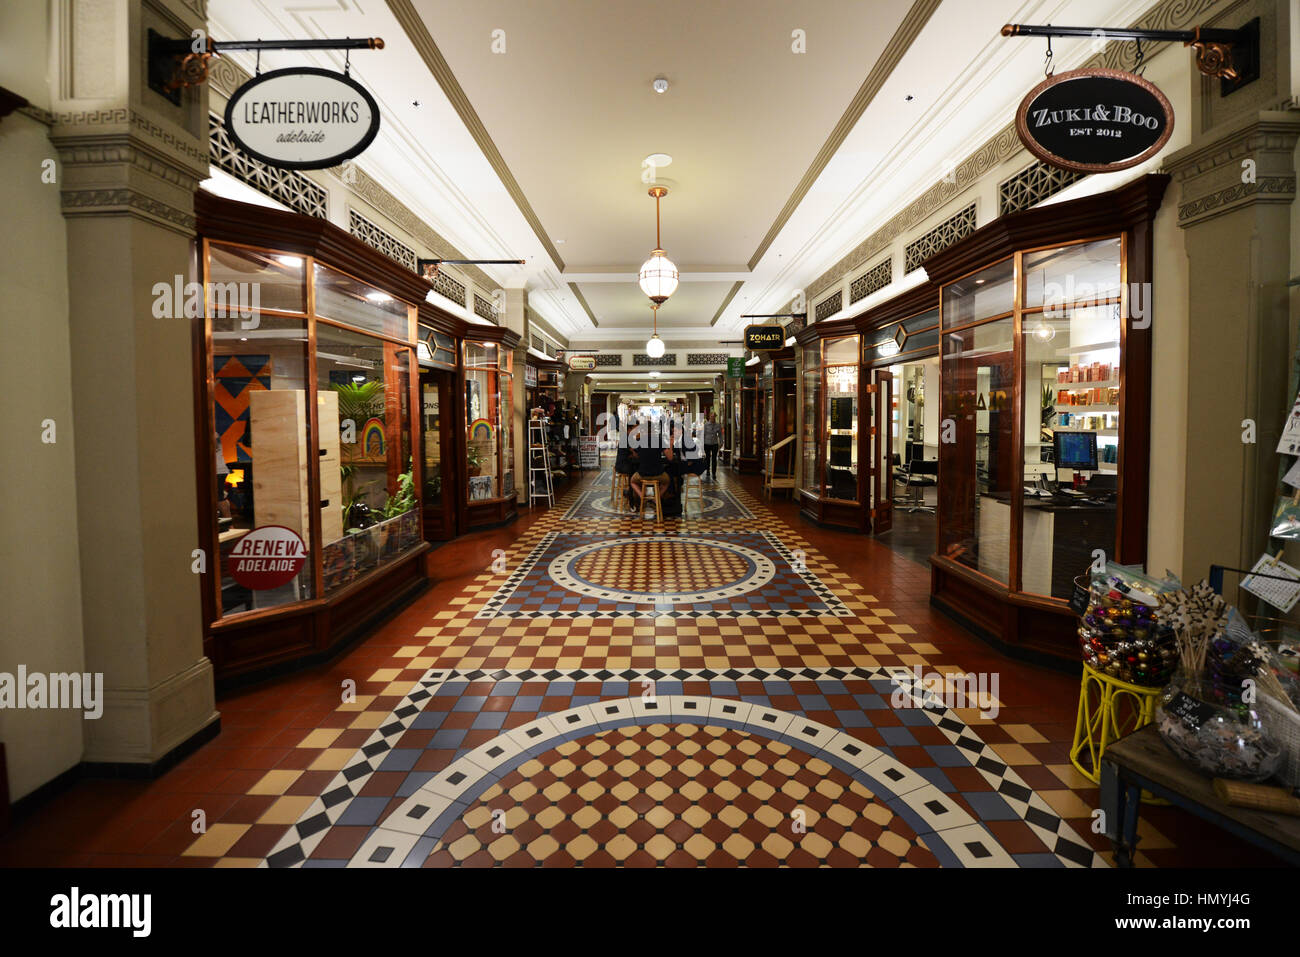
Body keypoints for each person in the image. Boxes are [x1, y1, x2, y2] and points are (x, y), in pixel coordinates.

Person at [702, 411, 721, 480]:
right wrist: (702, 443)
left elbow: (720, 435)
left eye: (714, 417)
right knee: (707, 458)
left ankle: (714, 473)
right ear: (709, 417)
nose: (713, 418)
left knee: (714, 459)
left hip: (714, 444)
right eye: (712, 416)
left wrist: (721, 443)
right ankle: (707, 470)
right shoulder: (706, 425)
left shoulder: (718, 425)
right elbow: (703, 434)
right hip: (707, 443)